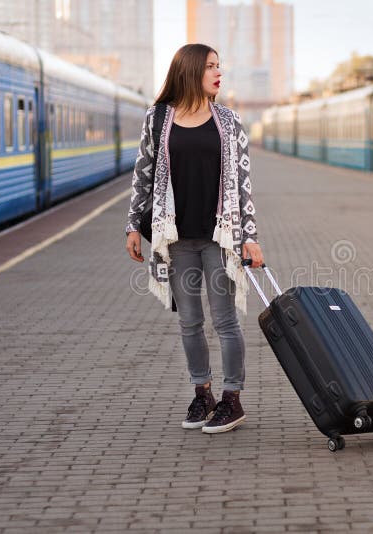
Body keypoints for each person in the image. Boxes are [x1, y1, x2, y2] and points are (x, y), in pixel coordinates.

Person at [125, 44, 263, 434]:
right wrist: (133, 225)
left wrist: (249, 237)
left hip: (219, 237)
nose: (218, 73)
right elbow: (144, 175)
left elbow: (243, 186)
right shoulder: (157, 119)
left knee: (224, 321)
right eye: (210, 67)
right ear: (188, 71)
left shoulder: (229, 121)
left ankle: (231, 399)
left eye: (220, 66)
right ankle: (202, 393)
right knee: (189, 322)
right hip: (176, 236)